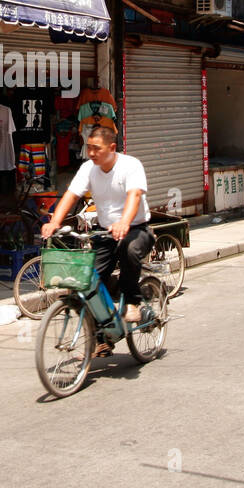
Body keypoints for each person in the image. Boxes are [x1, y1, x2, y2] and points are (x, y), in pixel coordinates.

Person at [41, 126, 153, 351]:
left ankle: (132, 301)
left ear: (112, 148)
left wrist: (124, 222)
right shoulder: (88, 169)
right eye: (88, 148)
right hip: (104, 232)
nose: (91, 153)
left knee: (129, 250)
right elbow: (71, 195)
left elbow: (134, 196)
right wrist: (55, 222)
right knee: (89, 280)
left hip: (136, 228)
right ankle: (103, 336)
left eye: (96, 149)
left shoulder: (131, 166)